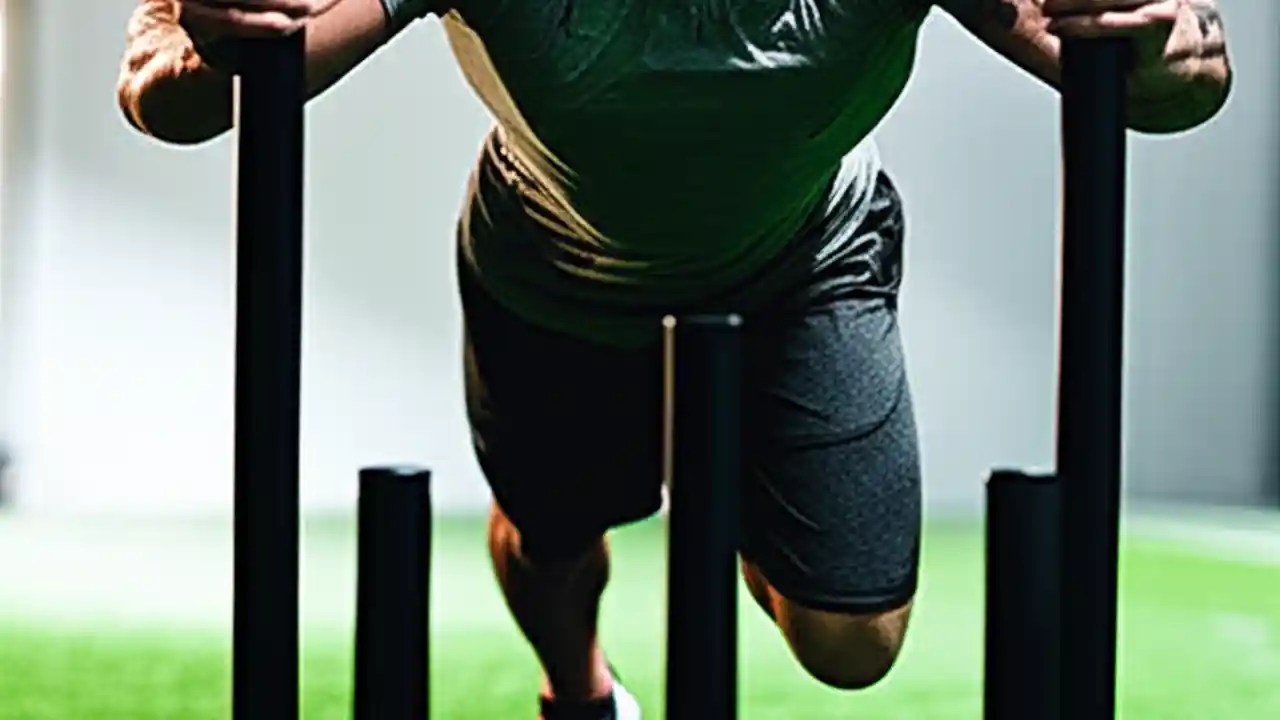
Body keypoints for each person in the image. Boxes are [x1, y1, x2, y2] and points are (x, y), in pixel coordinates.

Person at [116, 2, 1232, 717]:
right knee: (555, 538)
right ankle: (581, 692)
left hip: (804, 257)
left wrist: (1167, 43)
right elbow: (185, 95)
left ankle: (739, 488)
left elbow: (1166, 84)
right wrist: (202, 36)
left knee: (852, 644)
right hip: (552, 261)